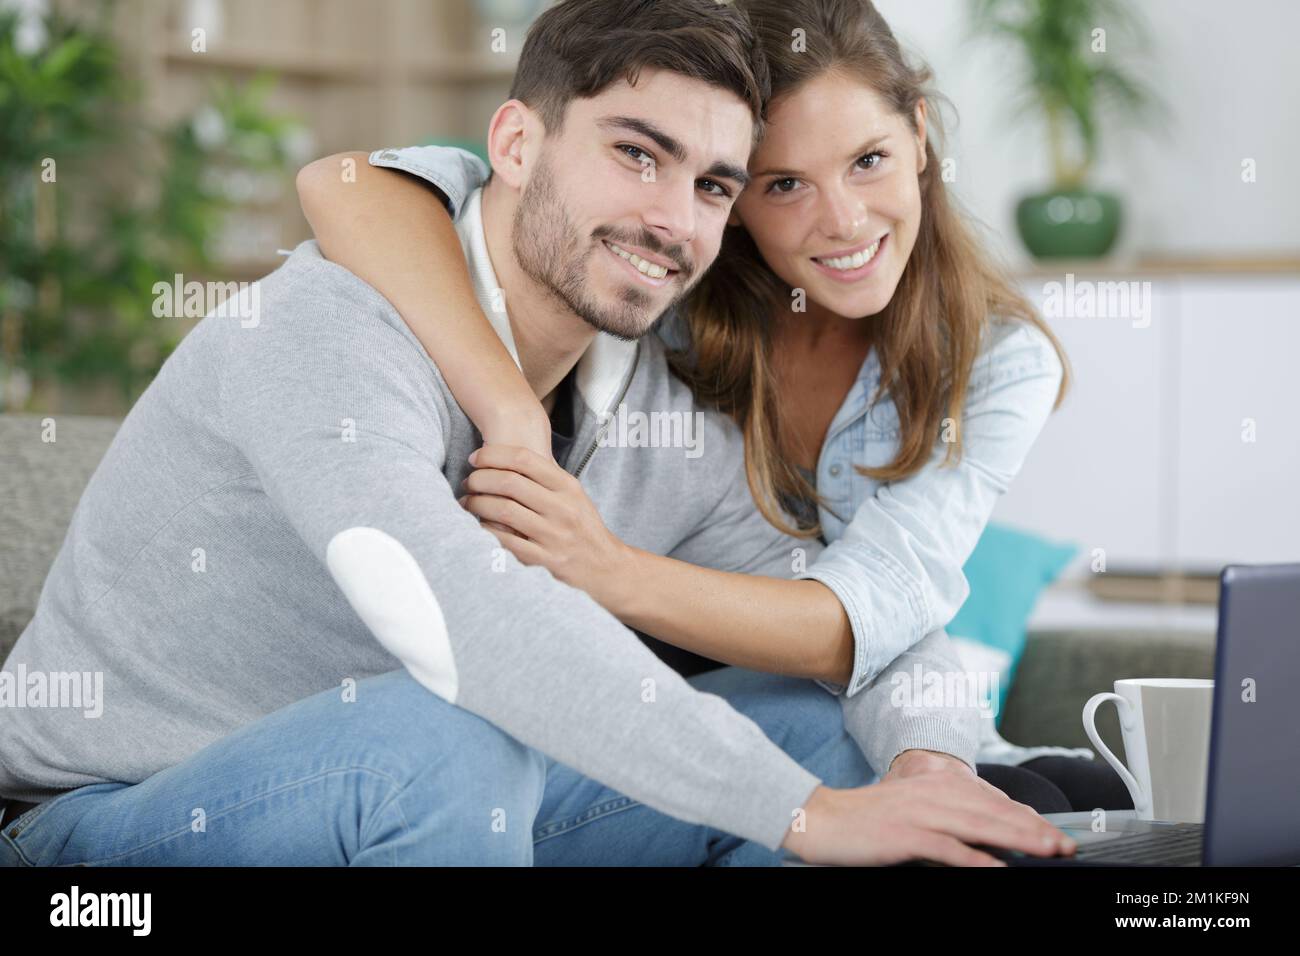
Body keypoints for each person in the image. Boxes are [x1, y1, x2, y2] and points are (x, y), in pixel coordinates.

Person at [0, 0, 1073, 867]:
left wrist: (932, 764)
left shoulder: (652, 404)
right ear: (512, 142)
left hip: (442, 787)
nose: (672, 219)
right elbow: (455, 619)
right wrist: (804, 815)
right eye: (635, 154)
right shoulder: (326, 327)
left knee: (823, 729)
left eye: (711, 186)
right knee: (452, 734)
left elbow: (870, 621)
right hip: (105, 818)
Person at [296, 0, 1130, 814]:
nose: (842, 220)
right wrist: (512, 411)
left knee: (1083, 800)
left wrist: (608, 567)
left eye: (868, 159)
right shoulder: (655, 289)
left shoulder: (992, 361)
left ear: (918, 133)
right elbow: (347, 185)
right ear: (733, 195)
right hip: (668, 694)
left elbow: (878, 616)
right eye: (784, 184)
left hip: (852, 695)